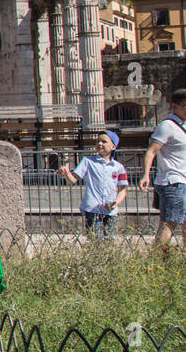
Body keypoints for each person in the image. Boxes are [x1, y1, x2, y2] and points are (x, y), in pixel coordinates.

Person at [139, 89, 186, 250]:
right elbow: (151, 151)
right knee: (170, 222)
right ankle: (155, 260)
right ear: (174, 106)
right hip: (173, 181)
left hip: (183, 181)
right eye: (185, 106)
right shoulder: (167, 126)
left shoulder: (183, 126)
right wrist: (146, 174)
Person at [58, 131, 128, 237]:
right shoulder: (88, 161)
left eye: (104, 141)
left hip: (110, 211)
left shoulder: (118, 167)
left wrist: (115, 203)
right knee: (93, 238)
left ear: (113, 146)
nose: (100, 144)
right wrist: (66, 173)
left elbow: (122, 190)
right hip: (92, 208)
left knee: (110, 239)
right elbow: (72, 180)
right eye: (98, 141)